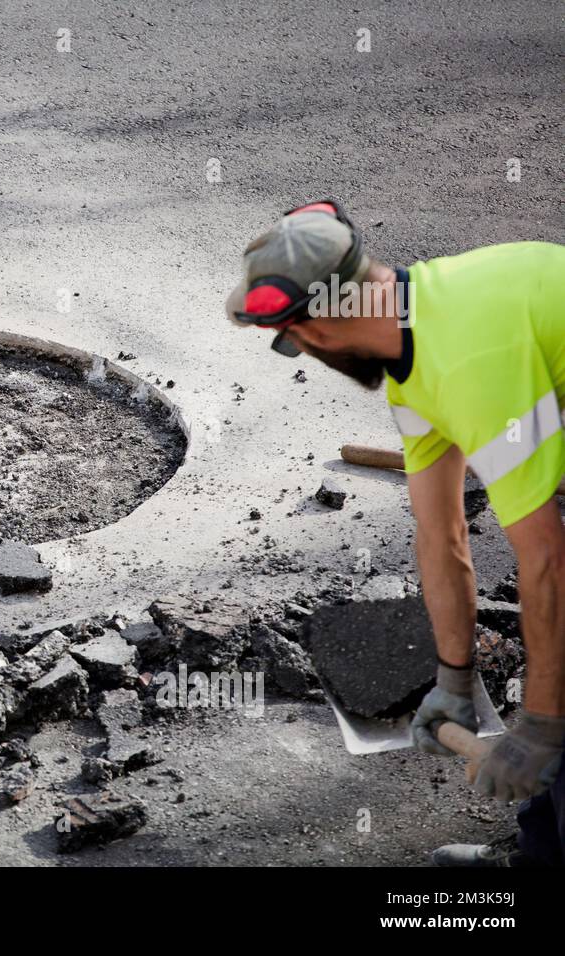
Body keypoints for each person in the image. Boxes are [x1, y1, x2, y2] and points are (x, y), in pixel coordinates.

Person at [226, 200, 565, 866]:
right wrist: (454, 679)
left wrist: (544, 728)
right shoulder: (416, 357)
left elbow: (548, 561)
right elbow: (440, 538)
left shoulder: (468, 362)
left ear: (318, 328)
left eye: (292, 339)